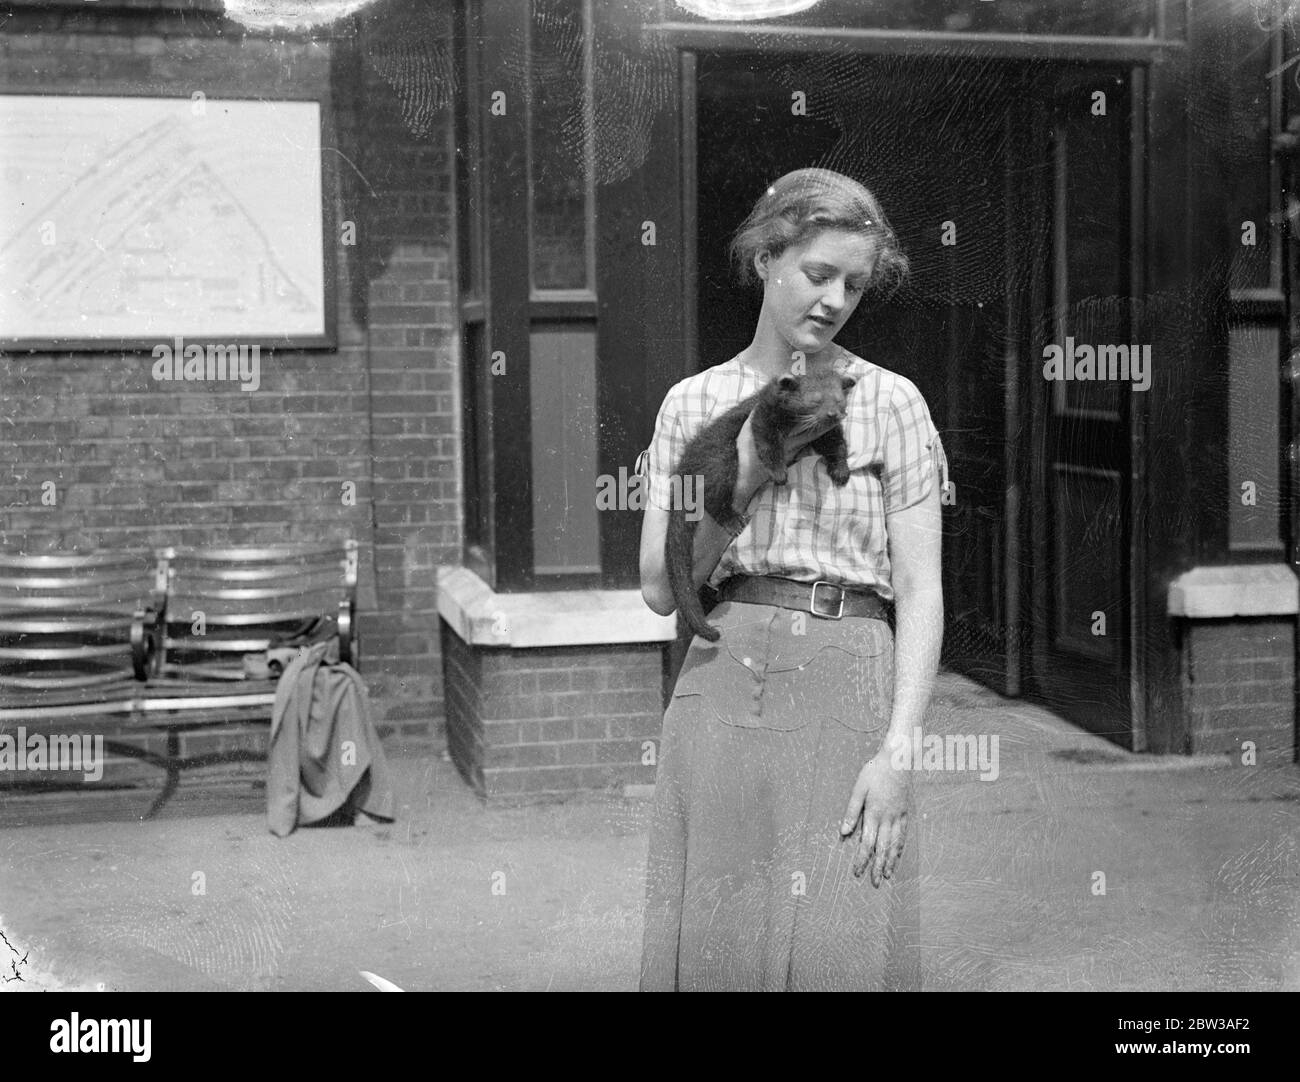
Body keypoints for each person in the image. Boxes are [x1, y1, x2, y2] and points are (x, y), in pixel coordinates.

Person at [637, 167, 946, 991]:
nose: (835, 299)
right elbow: (664, 590)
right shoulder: (690, 403)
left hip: (850, 680)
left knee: (841, 941)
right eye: (817, 274)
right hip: (724, 679)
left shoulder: (890, 402)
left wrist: (900, 753)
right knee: (720, 943)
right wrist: (742, 472)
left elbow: (920, 592)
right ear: (767, 257)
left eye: (853, 284)